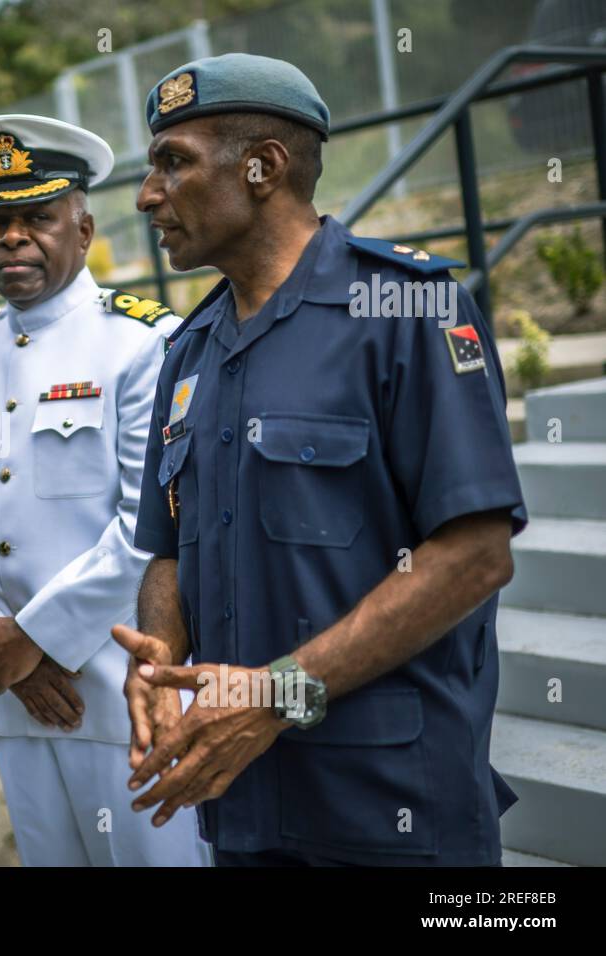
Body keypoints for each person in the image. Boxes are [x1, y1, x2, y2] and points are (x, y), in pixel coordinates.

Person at [114, 52, 526, 866]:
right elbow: (168, 545)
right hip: (240, 800)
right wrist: (160, 661)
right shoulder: (189, 348)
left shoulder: (407, 308)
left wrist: (277, 695)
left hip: (388, 805)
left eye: (173, 163)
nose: (147, 194)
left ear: (262, 167)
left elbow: (474, 557)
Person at [0, 114, 210, 866]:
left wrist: (37, 639)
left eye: (37, 217)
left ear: (83, 229)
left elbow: (151, 522)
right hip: (13, 696)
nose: (12, 238)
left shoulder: (143, 344)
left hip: (122, 690)